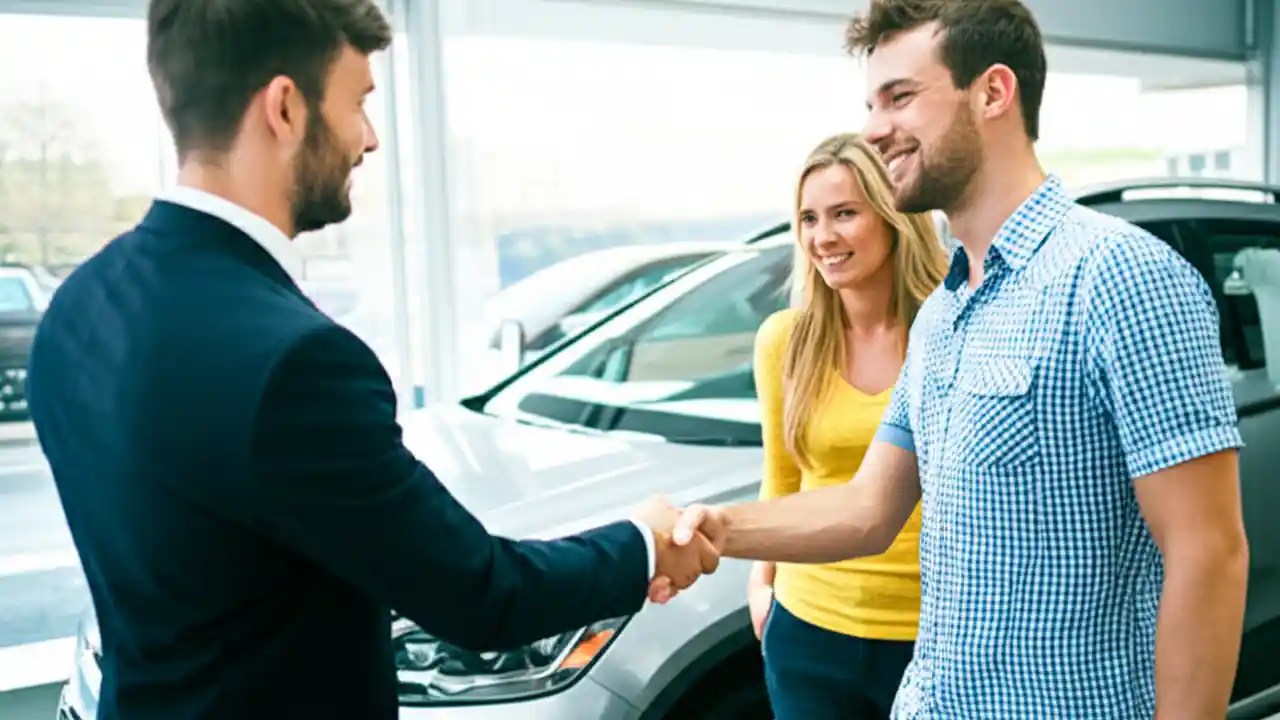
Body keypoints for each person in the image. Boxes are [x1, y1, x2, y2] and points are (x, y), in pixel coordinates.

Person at [24, 2, 714, 719]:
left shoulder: (78, 307)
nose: (370, 138)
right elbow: (481, 596)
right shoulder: (297, 361)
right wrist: (643, 545)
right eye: (358, 101)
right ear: (285, 109)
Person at [665, 1, 1250, 718]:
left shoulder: (1119, 276)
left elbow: (1208, 552)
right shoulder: (944, 314)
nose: (875, 129)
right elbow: (867, 509)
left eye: (901, 98)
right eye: (871, 104)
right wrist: (715, 530)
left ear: (993, 93)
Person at [748, 132, 946, 719]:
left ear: (892, 218)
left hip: (931, 638)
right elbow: (781, 478)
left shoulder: (948, 331)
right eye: (809, 218)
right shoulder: (784, 341)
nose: (822, 236)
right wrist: (762, 588)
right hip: (808, 633)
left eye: (844, 214)